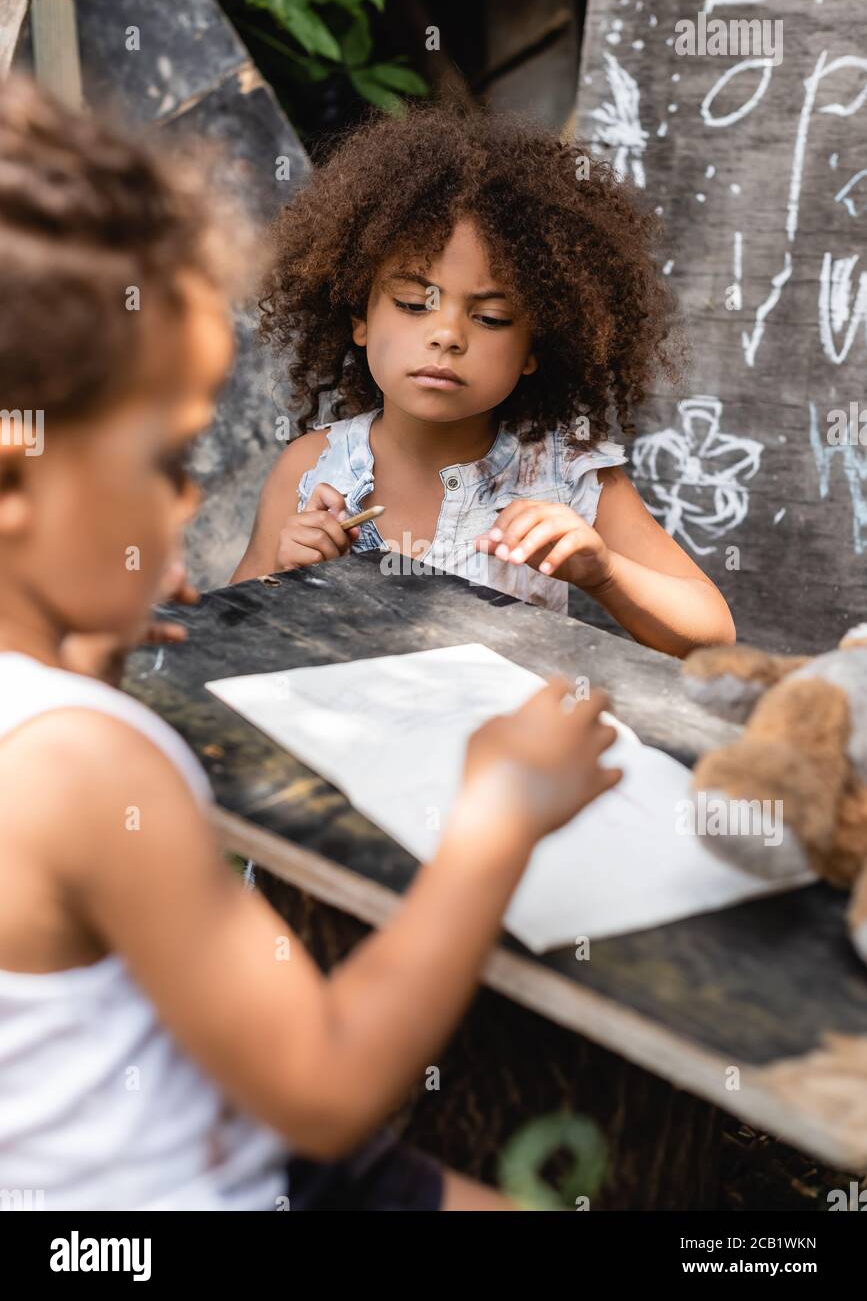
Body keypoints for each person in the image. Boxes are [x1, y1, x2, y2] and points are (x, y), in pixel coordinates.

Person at [0, 76, 622, 1211]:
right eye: (167, 464)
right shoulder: (82, 767)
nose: (185, 508)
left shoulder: (45, 717)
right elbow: (329, 1083)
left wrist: (79, 639)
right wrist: (496, 818)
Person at [232, 102, 735, 659]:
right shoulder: (310, 469)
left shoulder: (568, 478)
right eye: (411, 303)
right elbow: (230, 629)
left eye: (491, 317)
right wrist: (287, 573)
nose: (447, 336)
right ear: (359, 319)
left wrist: (605, 573)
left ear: (534, 351)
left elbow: (711, 633)